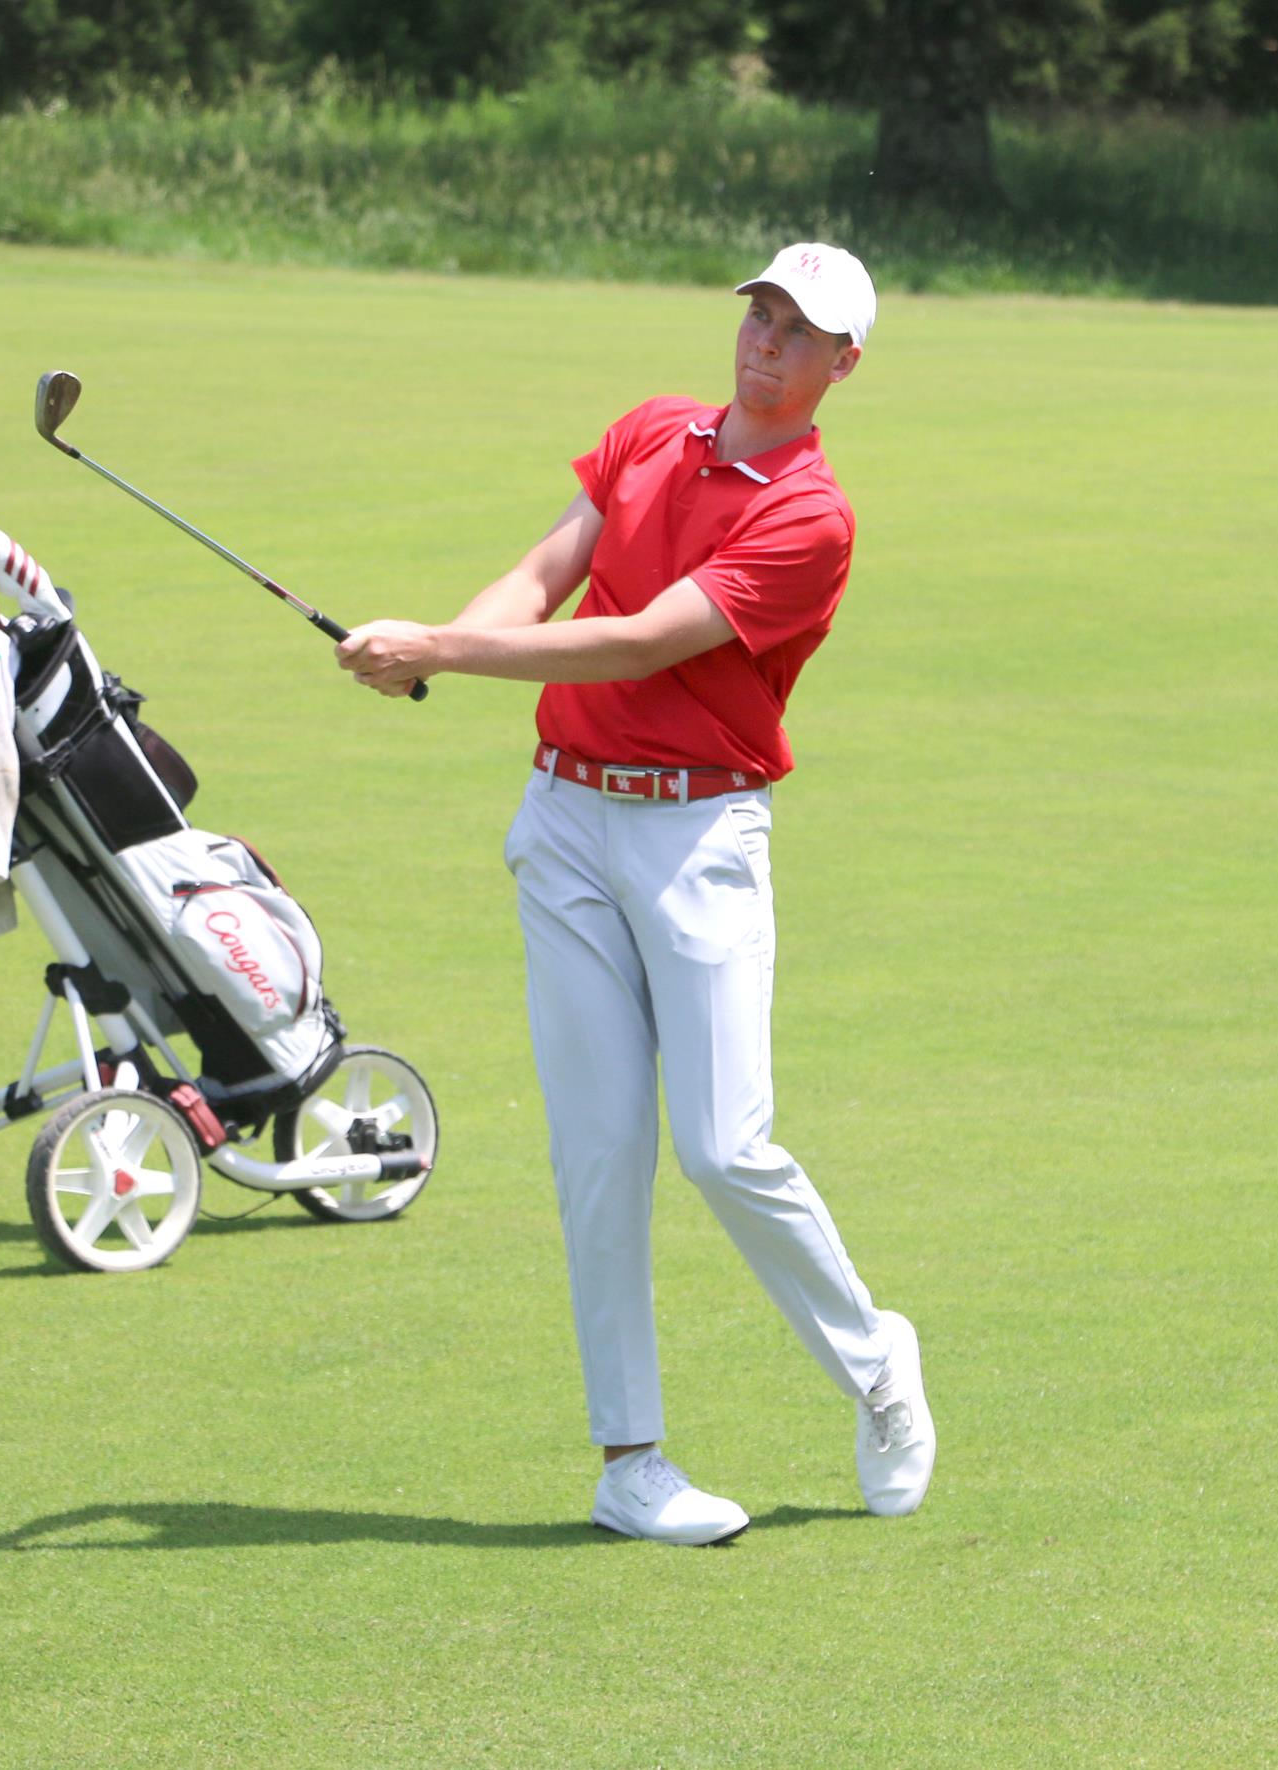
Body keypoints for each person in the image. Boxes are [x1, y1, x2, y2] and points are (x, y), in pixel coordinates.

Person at [336, 243, 935, 1544]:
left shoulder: (811, 518)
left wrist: (441, 647)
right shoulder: (654, 435)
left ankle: (878, 1363)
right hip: (565, 824)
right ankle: (632, 1462)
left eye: (799, 330)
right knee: (597, 1155)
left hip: (698, 837)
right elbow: (549, 573)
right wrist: (435, 644)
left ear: (846, 362)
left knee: (724, 1145)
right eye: (759, 314)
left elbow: (644, 635)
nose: (766, 342)